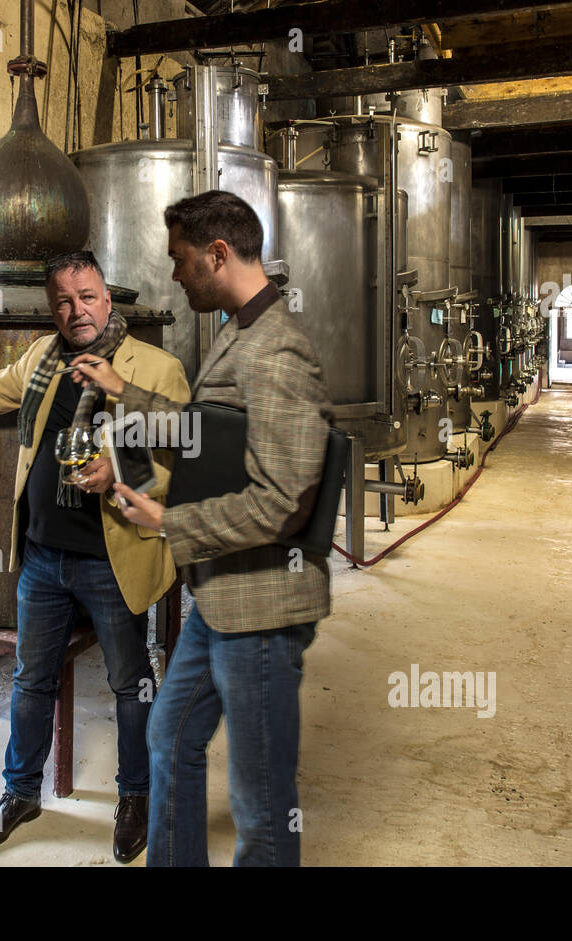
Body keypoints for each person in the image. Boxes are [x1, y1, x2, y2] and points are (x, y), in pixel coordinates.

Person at [0, 251, 190, 863]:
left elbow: (178, 446)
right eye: (62, 302)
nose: (75, 310)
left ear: (107, 298)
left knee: (132, 685)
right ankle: (19, 794)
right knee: (30, 682)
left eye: (86, 296)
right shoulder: (41, 357)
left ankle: (136, 797)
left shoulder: (154, 366)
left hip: (112, 555)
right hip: (44, 556)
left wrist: (117, 476)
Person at [70, 191, 333, 867]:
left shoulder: (277, 350)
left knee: (261, 800)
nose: (175, 276)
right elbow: (201, 434)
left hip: (264, 606)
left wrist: (169, 522)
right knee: (170, 739)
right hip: (220, 595)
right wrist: (124, 394)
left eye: (183, 262)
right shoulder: (241, 329)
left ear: (218, 254)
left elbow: (282, 503)